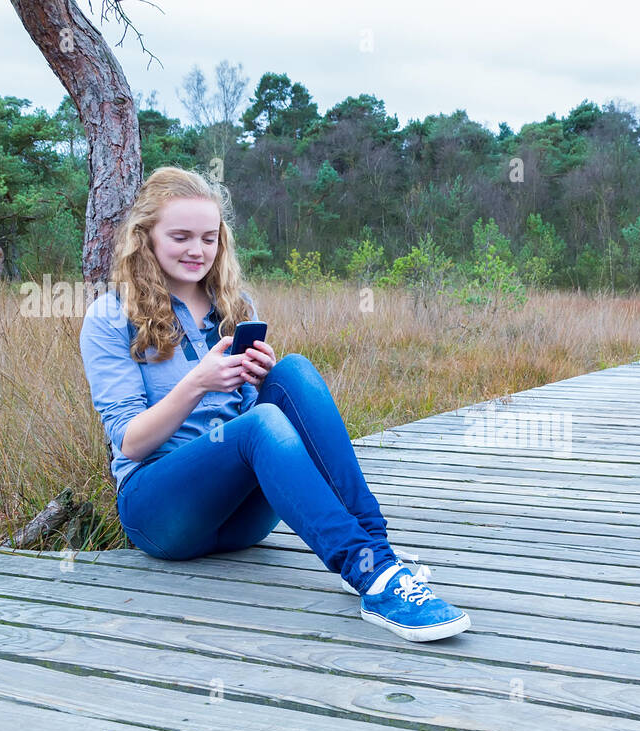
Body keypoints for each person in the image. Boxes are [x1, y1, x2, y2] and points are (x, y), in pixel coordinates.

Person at [79, 166, 470, 643]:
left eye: (209, 237)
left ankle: (379, 559)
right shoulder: (109, 316)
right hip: (162, 513)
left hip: (240, 521)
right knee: (261, 422)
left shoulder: (235, 305)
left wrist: (256, 378)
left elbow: (251, 413)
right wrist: (197, 383)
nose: (196, 251)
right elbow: (130, 442)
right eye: (179, 236)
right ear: (146, 238)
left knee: (294, 372)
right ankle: (372, 577)